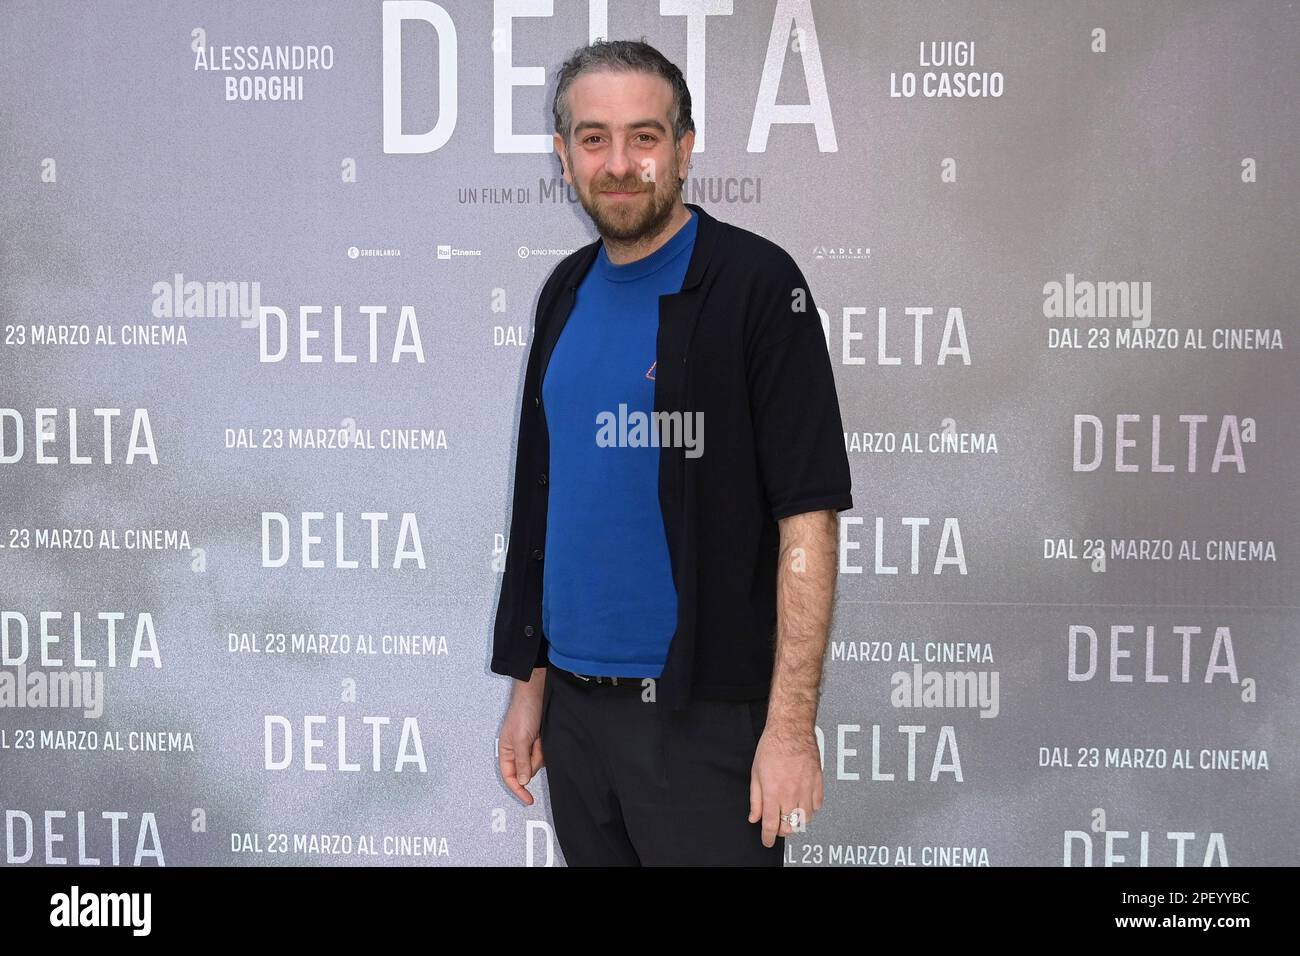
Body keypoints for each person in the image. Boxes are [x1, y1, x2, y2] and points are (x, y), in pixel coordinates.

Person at [491, 38, 853, 866]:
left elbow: (808, 516)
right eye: (594, 139)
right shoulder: (565, 291)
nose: (620, 163)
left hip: (705, 721)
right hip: (576, 721)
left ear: (684, 149)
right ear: (563, 155)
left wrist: (789, 728)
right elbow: (546, 502)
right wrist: (530, 691)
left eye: (645, 137)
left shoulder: (759, 286)